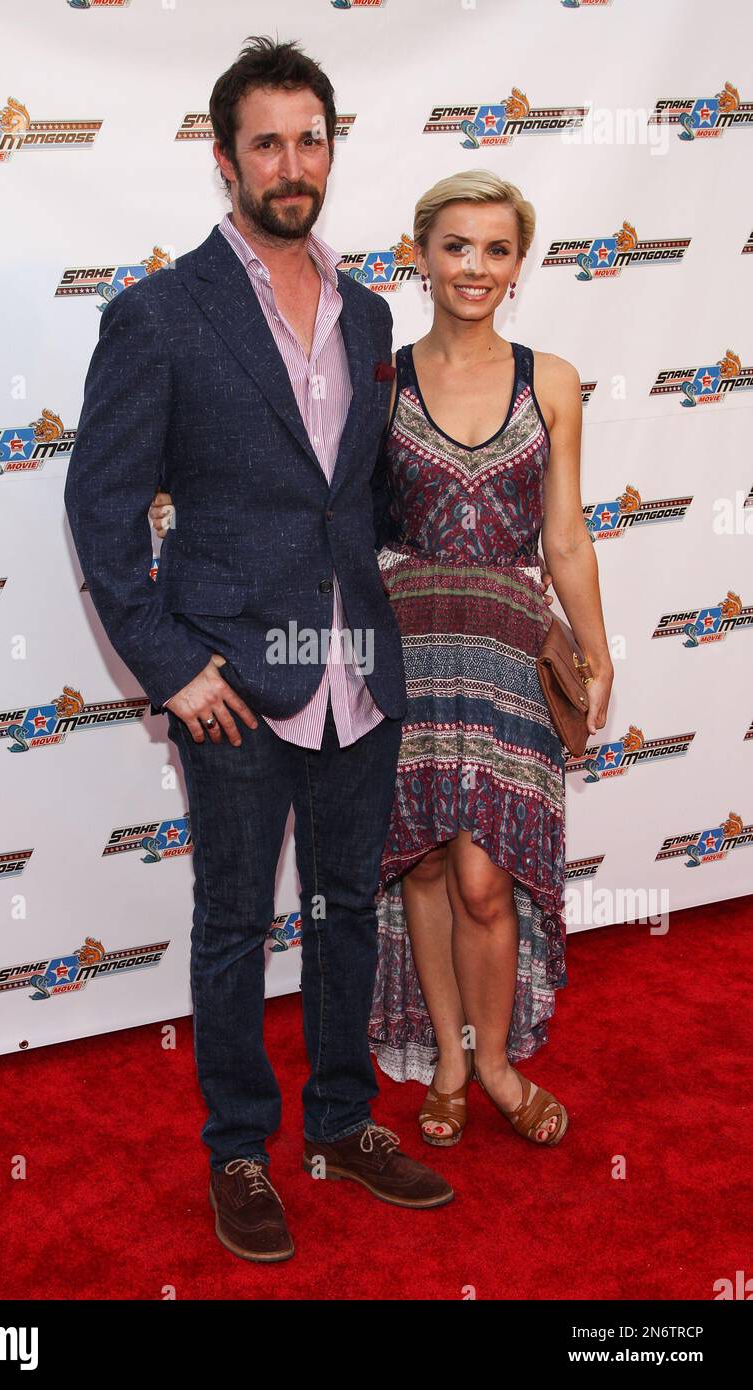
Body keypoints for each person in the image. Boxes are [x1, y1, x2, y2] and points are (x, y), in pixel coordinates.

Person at [64, 36, 453, 1268]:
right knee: (233, 924)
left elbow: (357, 495)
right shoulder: (161, 314)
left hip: (357, 673)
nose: (292, 163)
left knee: (346, 912)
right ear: (224, 156)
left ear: (332, 147)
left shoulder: (371, 308)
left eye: (310, 138)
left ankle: (340, 1125)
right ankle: (240, 1146)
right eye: (266, 141)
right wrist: (170, 666)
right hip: (232, 683)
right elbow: (99, 508)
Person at [366, 170, 613, 1148]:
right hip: (407, 650)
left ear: (518, 265)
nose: (474, 267)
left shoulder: (545, 379)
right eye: (456, 246)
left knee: (483, 878)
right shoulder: (379, 380)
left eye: (495, 249)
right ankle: (451, 1061)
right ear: (420, 255)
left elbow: (564, 537)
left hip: (509, 647)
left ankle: (499, 1063)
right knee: (422, 867)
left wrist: (593, 654)